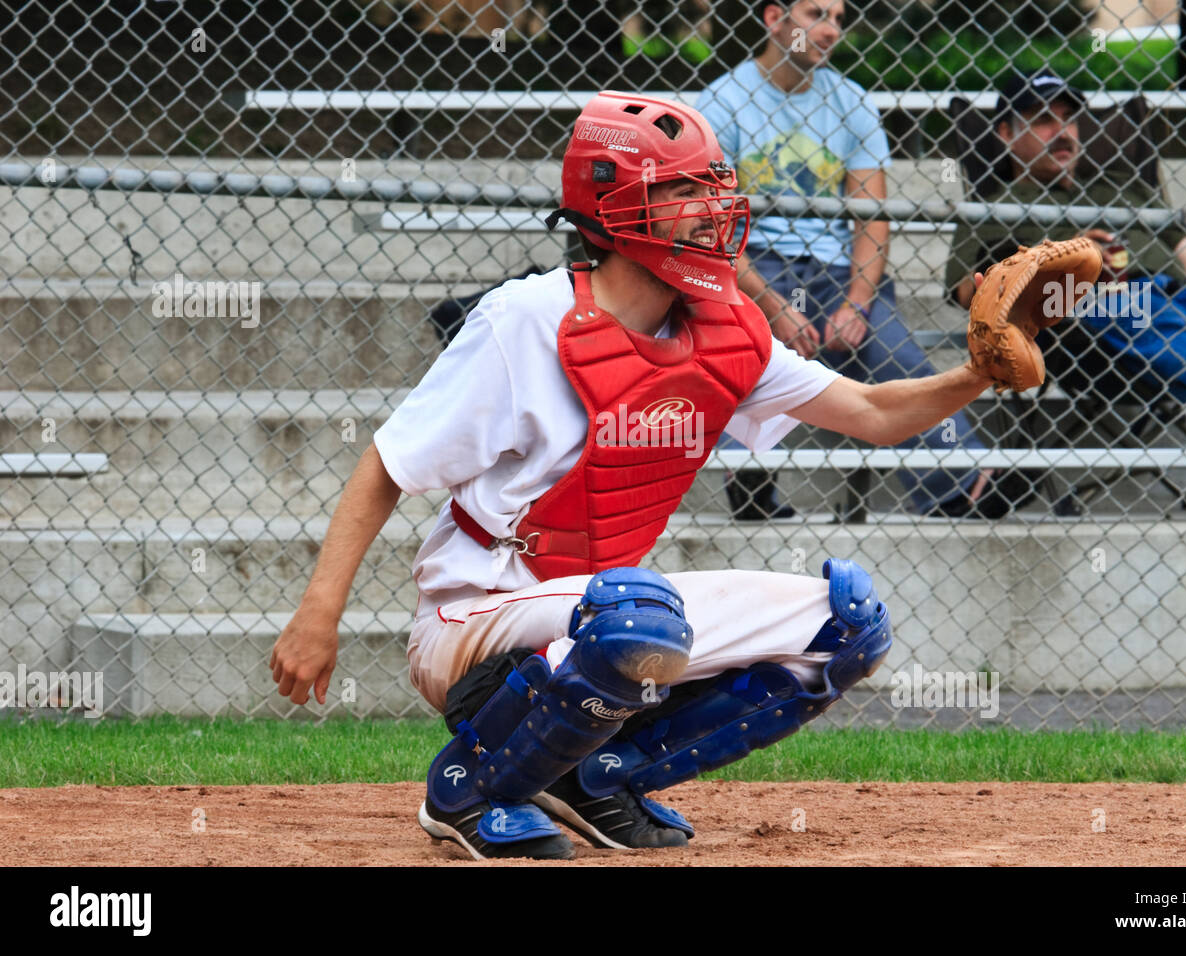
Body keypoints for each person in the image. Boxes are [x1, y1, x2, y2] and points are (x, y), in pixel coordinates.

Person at [269, 91, 1001, 860]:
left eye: (713, 185)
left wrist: (981, 369)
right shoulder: (523, 320)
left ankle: (594, 776)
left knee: (846, 624)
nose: (712, 207)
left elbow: (877, 413)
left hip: (599, 611)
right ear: (613, 207)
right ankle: (472, 785)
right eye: (683, 190)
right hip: (475, 616)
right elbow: (387, 465)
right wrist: (319, 616)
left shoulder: (722, 332)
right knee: (638, 615)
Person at [695, 0, 1019, 521]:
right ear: (774, 18)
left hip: (836, 271)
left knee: (894, 350)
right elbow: (712, 232)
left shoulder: (852, 103)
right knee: (744, 336)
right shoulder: (720, 104)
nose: (830, 30)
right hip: (751, 264)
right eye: (816, 14)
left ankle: (960, 482)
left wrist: (858, 303)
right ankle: (749, 476)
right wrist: (773, 305)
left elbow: (872, 216)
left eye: (839, 20)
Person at [946, 68, 1186, 440]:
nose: (1063, 131)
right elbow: (967, 293)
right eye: (1043, 120)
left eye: (1069, 119)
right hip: (1090, 314)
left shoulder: (1124, 188)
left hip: (1183, 297)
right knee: (1137, 309)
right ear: (1006, 134)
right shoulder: (993, 209)